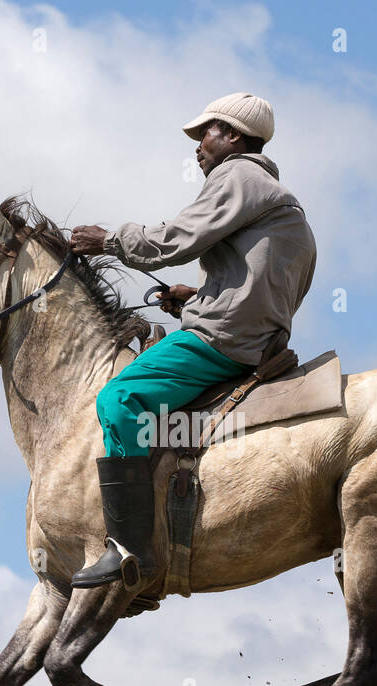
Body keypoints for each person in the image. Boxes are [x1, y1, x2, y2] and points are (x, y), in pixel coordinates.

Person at [68, 92, 318, 589]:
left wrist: (111, 241)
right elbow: (262, 285)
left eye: (205, 133)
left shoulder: (238, 175)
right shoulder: (279, 200)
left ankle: (128, 551)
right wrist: (196, 296)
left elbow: (176, 239)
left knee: (120, 399)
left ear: (234, 137)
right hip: (253, 339)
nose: (197, 146)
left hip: (221, 340)